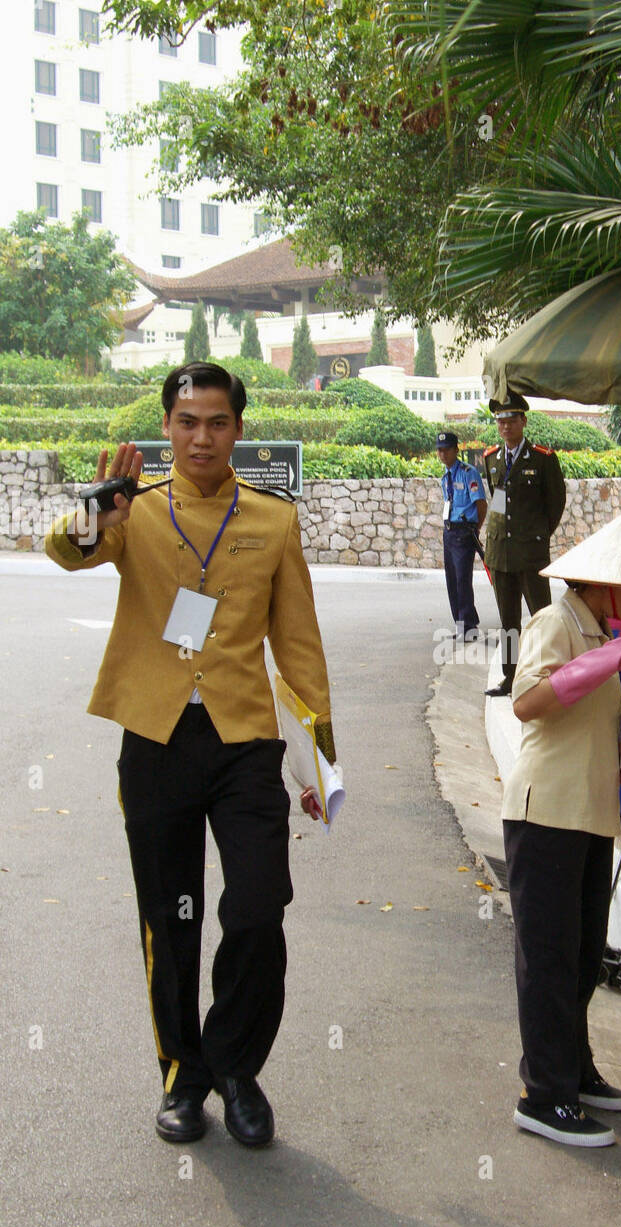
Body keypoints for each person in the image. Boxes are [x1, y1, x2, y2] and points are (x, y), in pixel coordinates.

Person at [44, 361, 334, 1148]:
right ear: (167, 428)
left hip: (244, 742)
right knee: (169, 915)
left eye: (215, 422)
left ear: (238, 430)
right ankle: (184, 1074)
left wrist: (319, 763)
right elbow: (62, 552)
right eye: (186, 421)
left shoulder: (273, 521)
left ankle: (237, 1066)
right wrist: (88, 513)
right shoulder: (128, 513)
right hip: (157, 740)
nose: (200, 436)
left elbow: (298, 646)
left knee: (258, 902)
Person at [502, 510, 621, 1148]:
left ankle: (570, 1070)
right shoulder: (558, 622)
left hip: (587, 816)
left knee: (578, 957)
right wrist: (600, 661)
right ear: (609, 581)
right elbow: (529, 701)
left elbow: (596, 735)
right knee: (547, 960)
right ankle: (542, 1095)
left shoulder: (599, 630)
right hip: (544, 812)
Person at [482, 392, 566, 697]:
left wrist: (538, 535)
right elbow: (499, 501)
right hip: (500, 554)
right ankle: (511, 677)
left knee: (541, 616)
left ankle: (547, 672)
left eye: (511, 420)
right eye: (500, 421)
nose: (505, 426)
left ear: (523, 422)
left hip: (530, 553)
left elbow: (555, 503)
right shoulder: (492, 457)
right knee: (508, 620)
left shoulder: (543, 458)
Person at [438, 429, 487, 640]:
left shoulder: (469, 473)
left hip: (464, 531)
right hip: (449, 531)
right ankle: (461, 625)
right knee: (451, 579)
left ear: (456, 450)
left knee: (462, 579)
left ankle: (469, 626)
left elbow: (481, 503)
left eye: (447, 450)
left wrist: (476, 528)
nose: (443, 454)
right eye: (439, 451)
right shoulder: (445, 478)